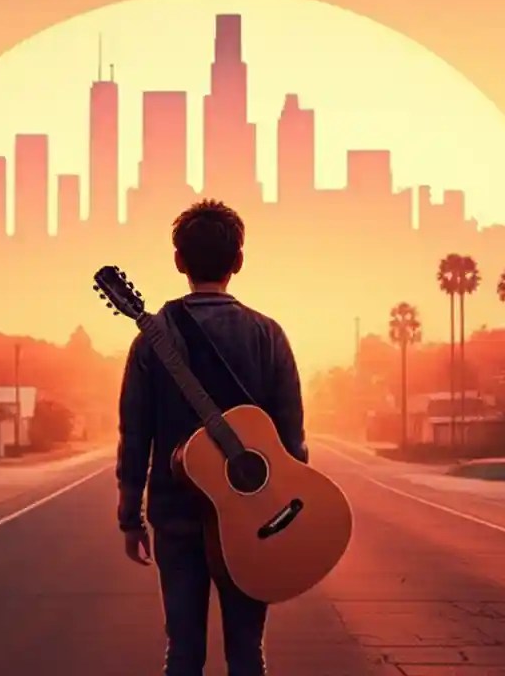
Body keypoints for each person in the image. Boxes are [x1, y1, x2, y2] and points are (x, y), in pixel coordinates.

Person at [116, 199, 308, 676]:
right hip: (255, 519)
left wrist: (130, 517)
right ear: (238, 262)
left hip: (177, 515)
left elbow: (135, 434)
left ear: (178, 261)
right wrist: (288, 514)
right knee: (247, 653)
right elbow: (292, 439)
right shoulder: (269, 335)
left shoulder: (151, 340)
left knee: (183, 653)